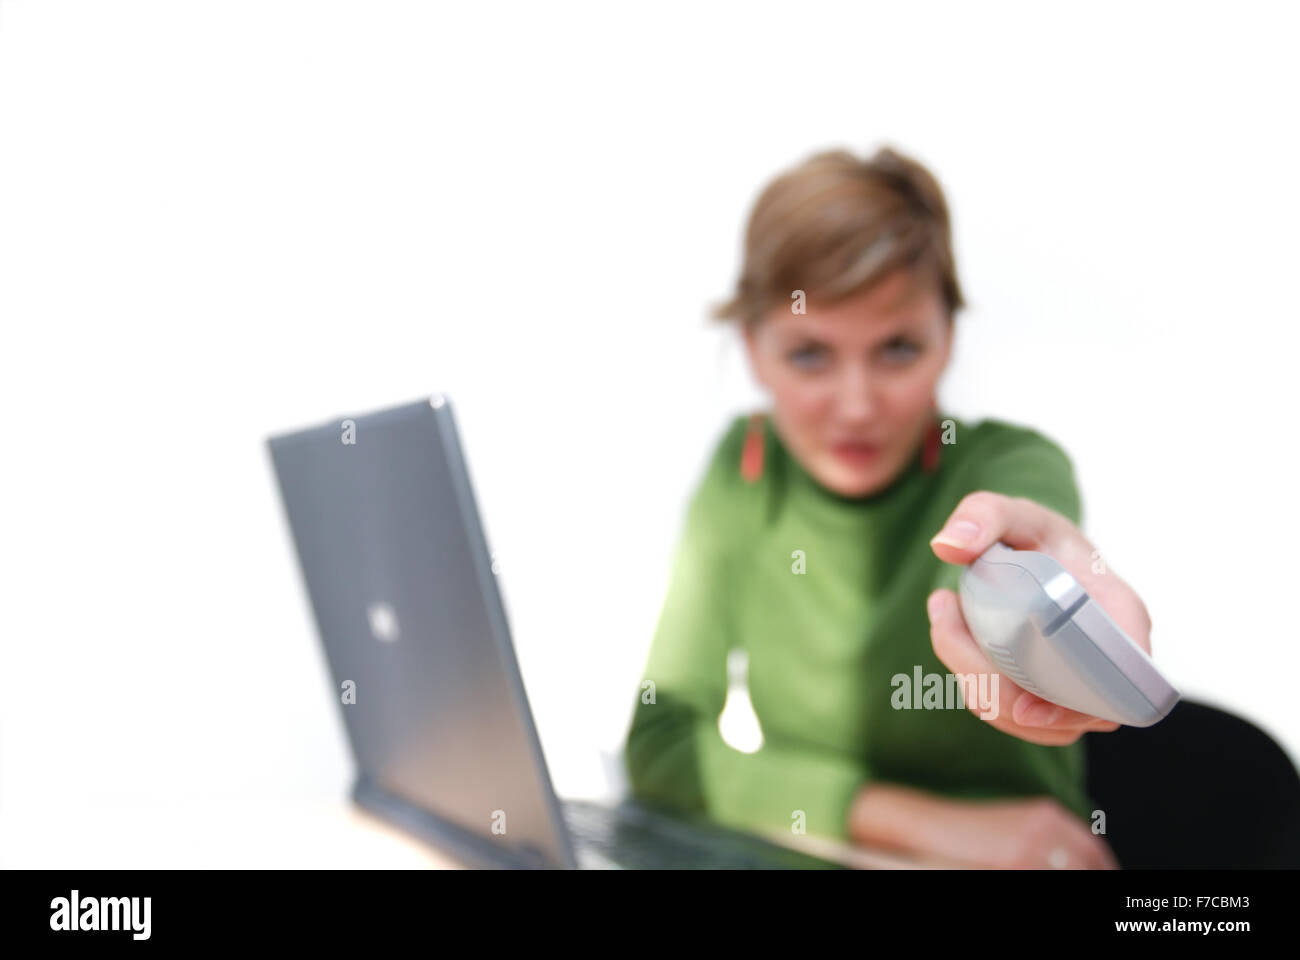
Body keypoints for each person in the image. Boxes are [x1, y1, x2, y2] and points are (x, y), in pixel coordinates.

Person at [622, 145, 1153, 869]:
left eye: (898, 349)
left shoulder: (1007, 466)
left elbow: (1004, 547)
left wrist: (1027, 610)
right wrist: (919, 822)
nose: (857, 405)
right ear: (752, 348)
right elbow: (661, 744)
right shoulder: (742, 474)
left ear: (948, 339)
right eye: (810, 354)